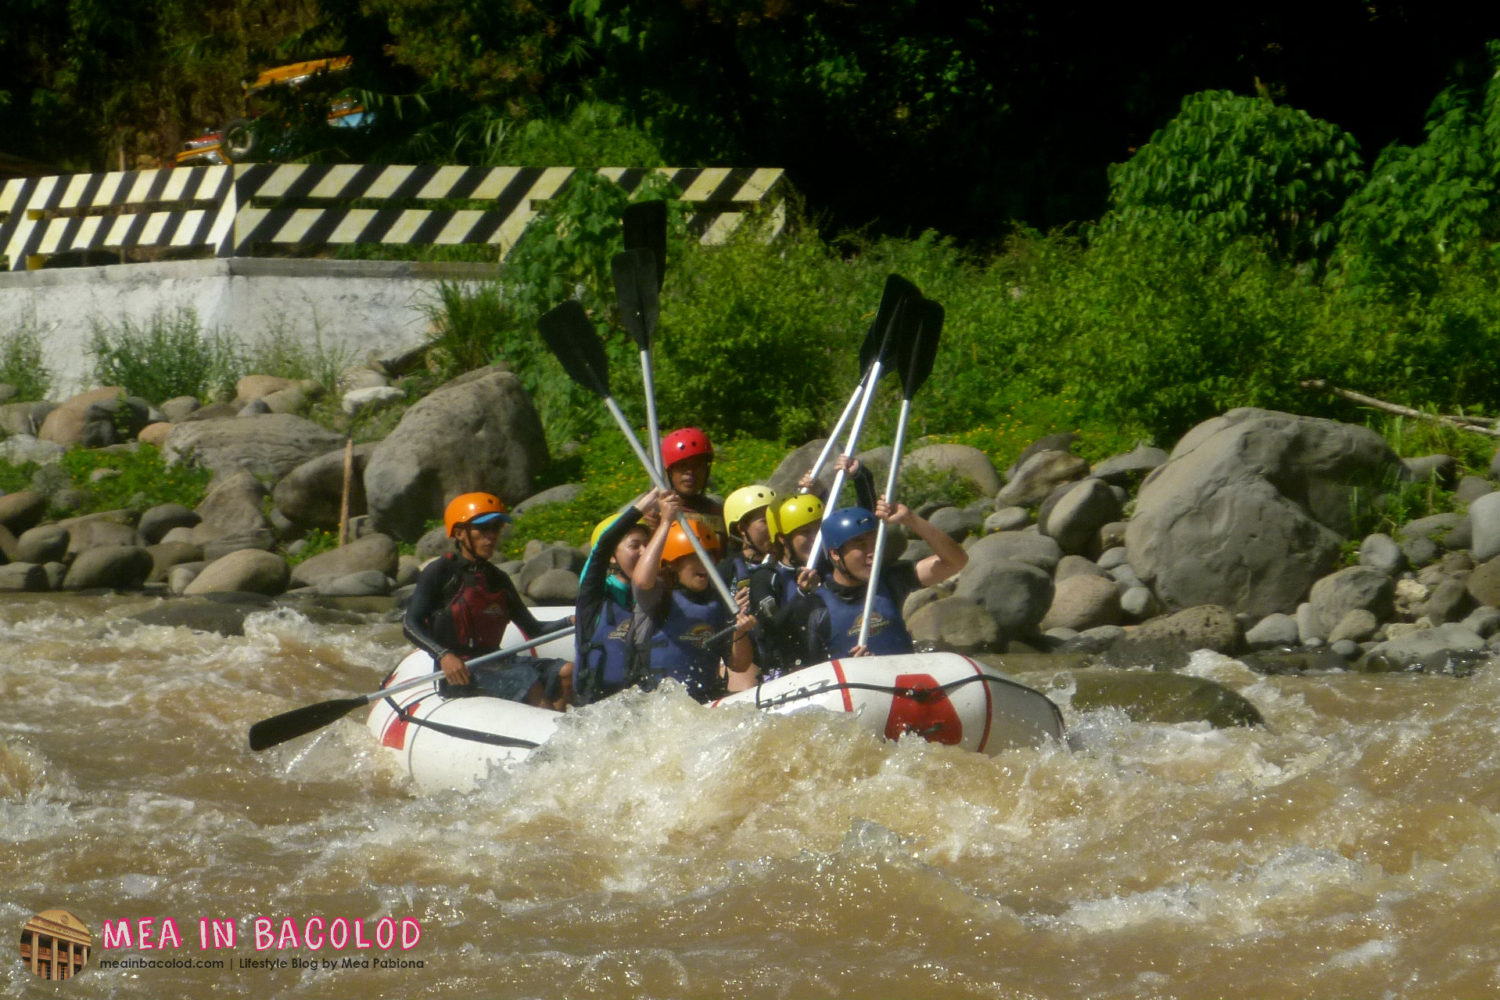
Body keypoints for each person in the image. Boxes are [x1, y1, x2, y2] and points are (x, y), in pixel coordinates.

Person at [403, 492, 574, 710]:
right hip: (461, 671)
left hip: (498, 661)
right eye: (483, 529)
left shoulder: (497, 579)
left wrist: (571, 621)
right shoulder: (441, 571)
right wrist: (443, 655)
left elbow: (534, 630)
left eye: (496, 528)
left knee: (566, 671)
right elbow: (410, 623)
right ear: (459, 533)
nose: (491, 535)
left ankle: (555, 726)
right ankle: (551, 731)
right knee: (526, 679)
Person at [799, 497, 968, 662]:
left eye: (874, 542)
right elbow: (805, 671)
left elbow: (956, 561)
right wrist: (850, 666)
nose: (872, 552)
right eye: (860, 545)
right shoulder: (816, 606)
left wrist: (911, 519)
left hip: (906, 681)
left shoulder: (891, 579)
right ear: (835, 554)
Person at [631, 493, 756, 701]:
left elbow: (739, 665)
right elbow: (641, 580)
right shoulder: (657, 594)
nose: (704, 564)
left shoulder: (719, 600)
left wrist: (740, 632)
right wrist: (665, 523)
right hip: (656, 704)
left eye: (708, 556)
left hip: (704, 699)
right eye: (695, 557)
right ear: (673, 562)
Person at [573, 489, 660, 703]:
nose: (643, 552)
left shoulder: (652, 595)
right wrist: (644, 504)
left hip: (639, 703)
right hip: (596, 706)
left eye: (646, 546)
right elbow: (602, 546)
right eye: (634, 546)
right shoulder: (594, 595)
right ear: (612, 557)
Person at [660, 427, 726, 545]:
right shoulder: (655, 512)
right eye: (683, 465)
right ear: (670, 471)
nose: (690, 471)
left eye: (698, 465)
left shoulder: (717, 511)